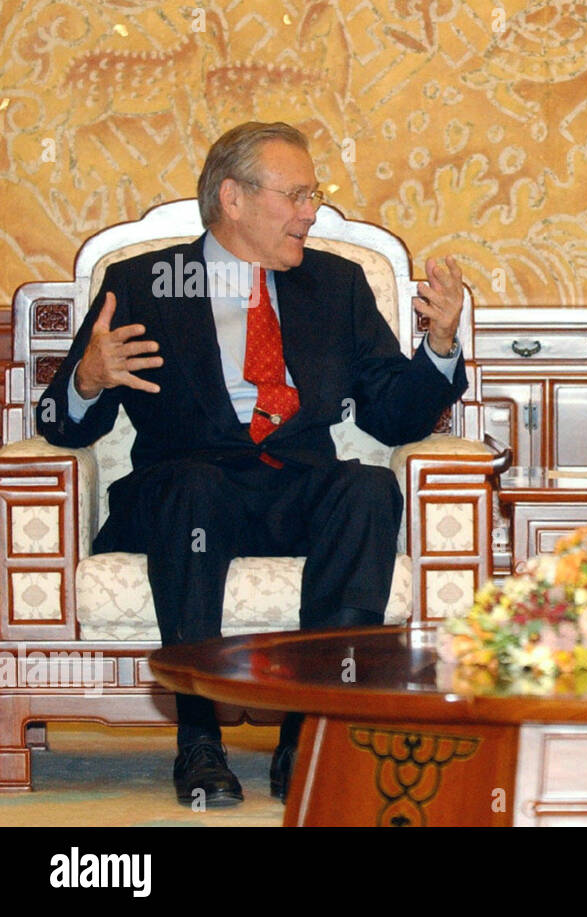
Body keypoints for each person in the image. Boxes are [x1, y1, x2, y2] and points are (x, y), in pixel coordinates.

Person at [37, 121, 469, 808]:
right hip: (184, 490)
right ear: (233, 198)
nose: (312, 211)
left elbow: (393, 415)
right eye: (296, 194)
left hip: (291, 486)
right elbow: (59, 423)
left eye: (314, 193)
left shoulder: (338, 283)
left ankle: (309, 731)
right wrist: (87, 379)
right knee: (195, 487)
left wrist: (439, 347)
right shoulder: (143, 283)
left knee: (366, 487)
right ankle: (199, 737)